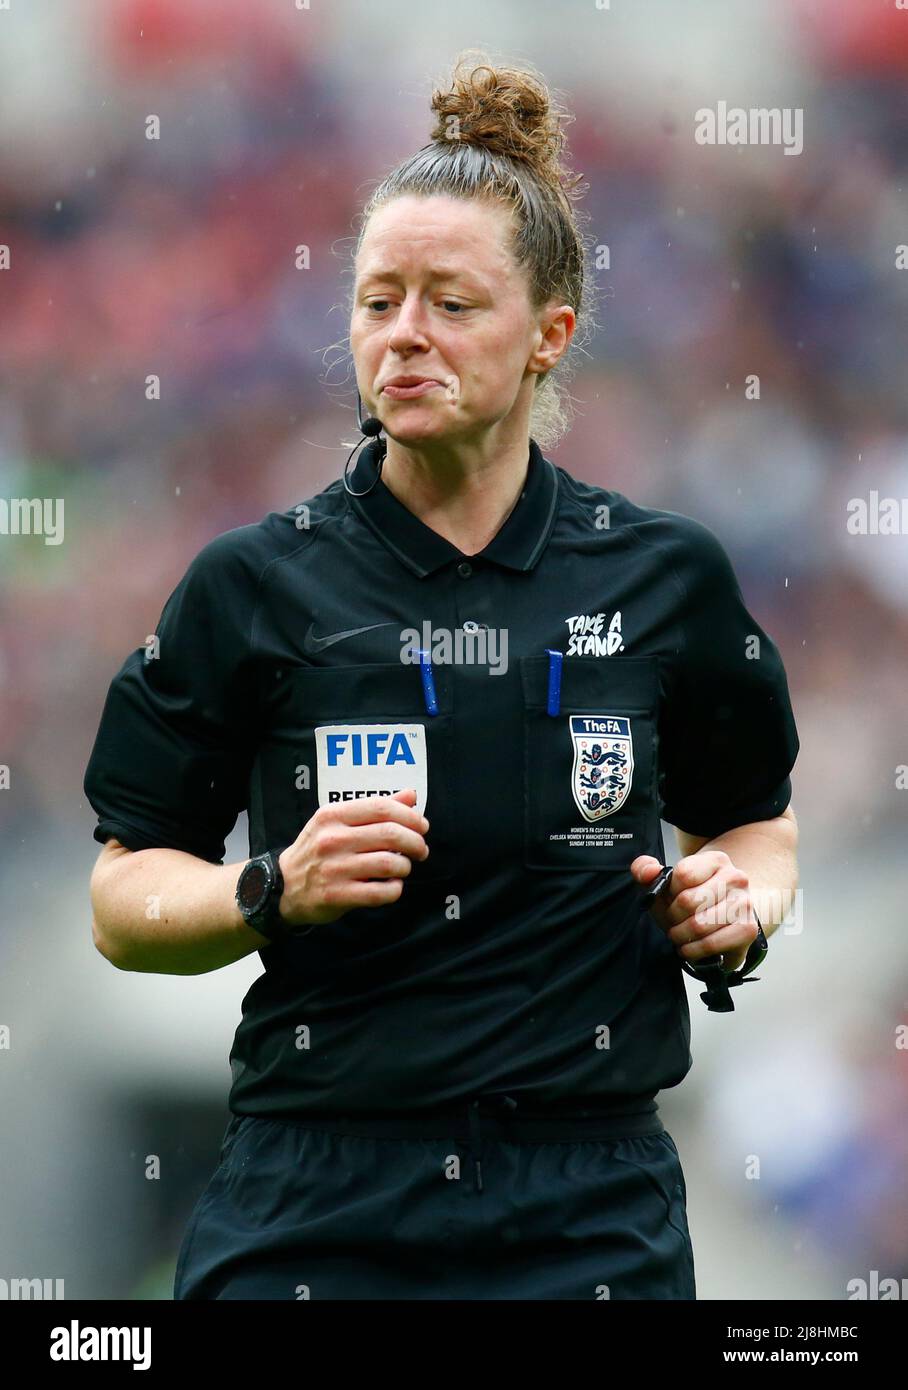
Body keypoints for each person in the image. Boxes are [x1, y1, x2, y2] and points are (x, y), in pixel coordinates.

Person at [84, 52, 799, 1301]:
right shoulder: (252, 585)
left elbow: (755, 820)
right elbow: (120, 898)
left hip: (586, 1206)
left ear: (548, 336)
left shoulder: (662, 577)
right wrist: (269, 886)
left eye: (450, 304)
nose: (403, 333)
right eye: (376, 301)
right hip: (315, 1201)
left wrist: (740, 901)